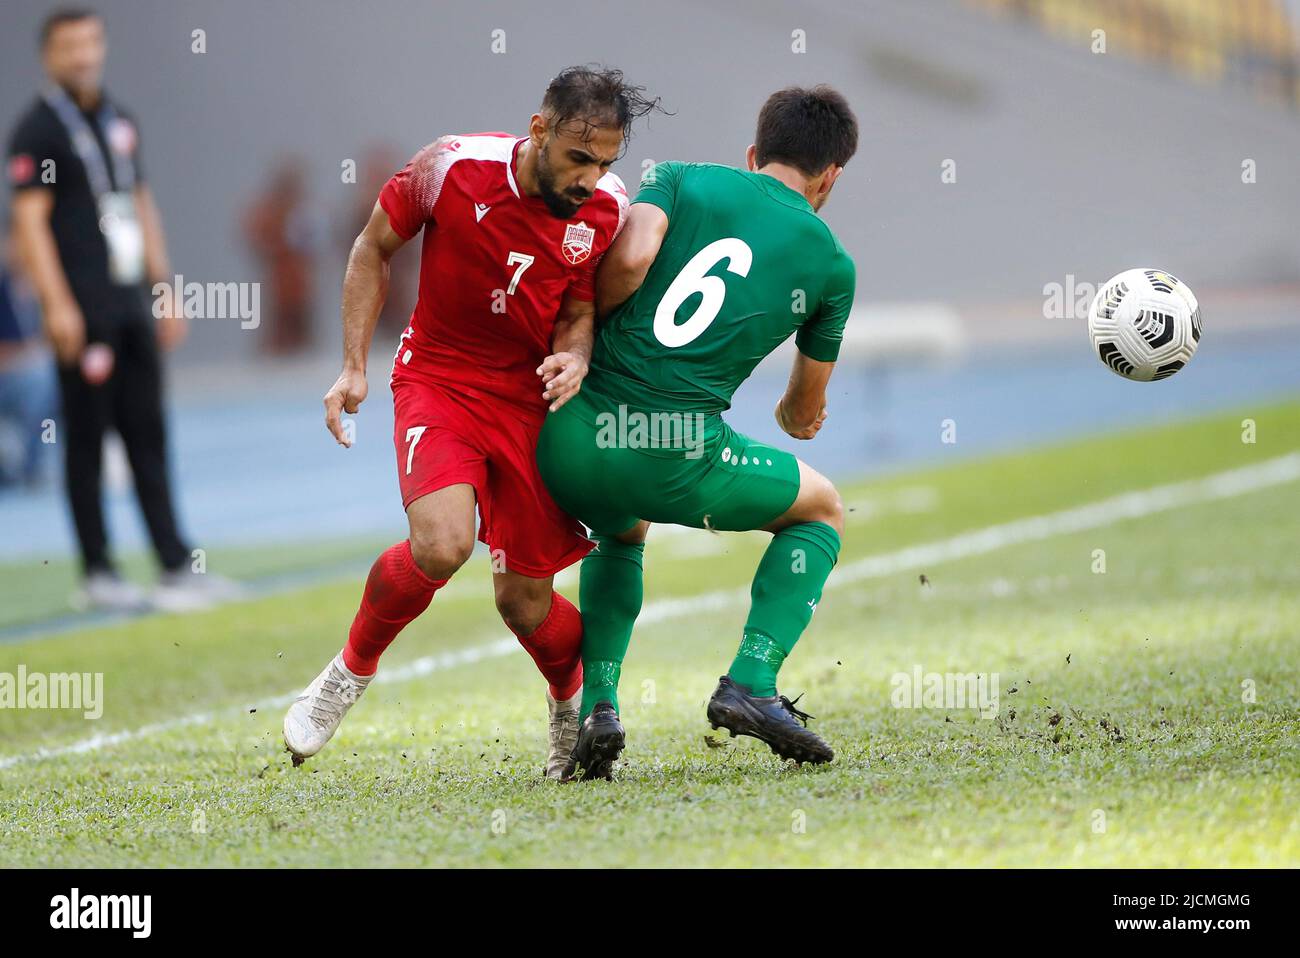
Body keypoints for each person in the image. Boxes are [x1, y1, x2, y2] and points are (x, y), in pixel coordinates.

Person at [282, 67, 659, 779]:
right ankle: (347, 672)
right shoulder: (452, 166)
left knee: (523, 601)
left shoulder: (606, 210)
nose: (591, 177)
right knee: (444, 543)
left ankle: (568, 707)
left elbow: (578, 310)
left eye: (606, 162)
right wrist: (353, 366)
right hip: (440, 380)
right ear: (539, 129)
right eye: (580, 158)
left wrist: (574, 359)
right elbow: (372, 247)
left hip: (528, 401)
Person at [535, 85, 859, 779]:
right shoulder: (832, 265)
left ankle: (600, 706)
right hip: (674, 456)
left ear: (753, 154)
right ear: (830, 177)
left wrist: (603, 337)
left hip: (570, 436)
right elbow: (802, 415)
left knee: (622, 529)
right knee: (822, 509)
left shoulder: (678, 178)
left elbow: (627, 261)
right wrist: (789, 416)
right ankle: (751, 680)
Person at [6, 8, 218, 612]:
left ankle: (175, 564)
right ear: (49, 54)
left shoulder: (119, 119)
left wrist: (164, 286)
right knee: (88, 438)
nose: (83, 57)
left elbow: (140, 201)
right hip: (85, 306)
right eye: (70, 47)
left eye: (91, 44)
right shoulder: (37, 132)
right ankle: (97, 570)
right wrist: (57, 303)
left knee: (147, 429)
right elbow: (30, 223)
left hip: (130, 302)